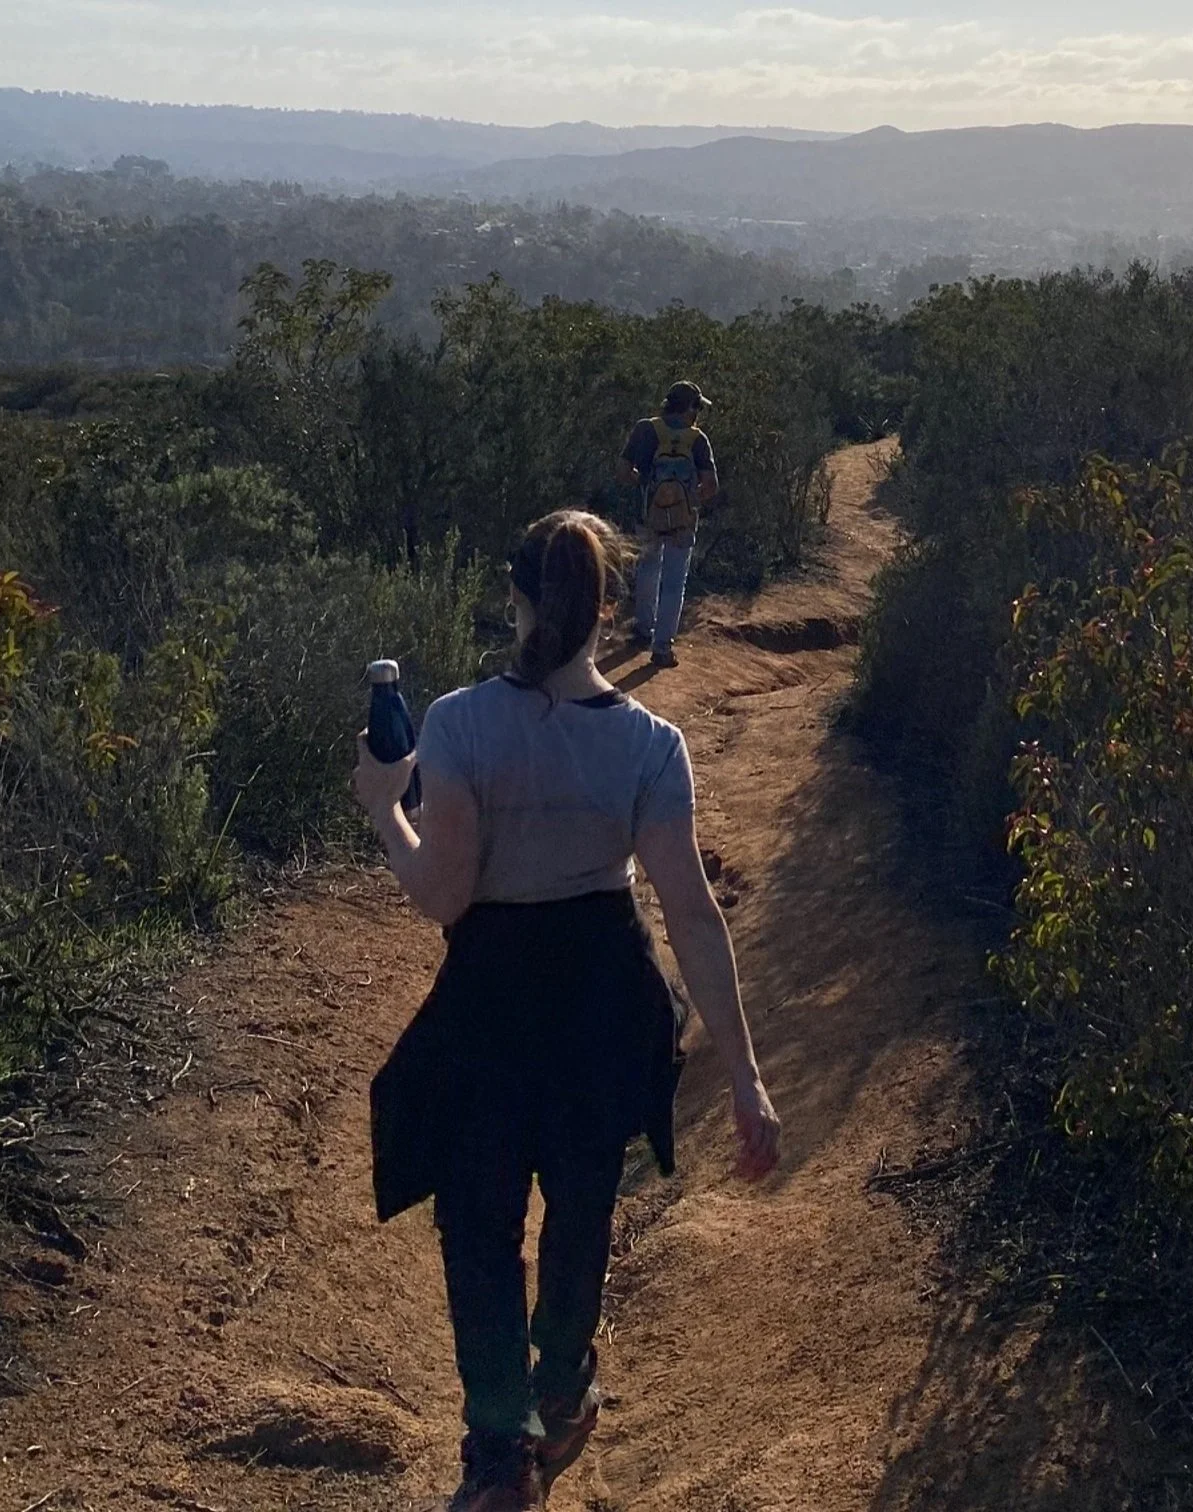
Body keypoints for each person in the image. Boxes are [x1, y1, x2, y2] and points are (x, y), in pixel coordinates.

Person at [352, 509, 781, 1512]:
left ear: (516, 599)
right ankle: (563, 1389)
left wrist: (384, 807)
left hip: (491, 1003)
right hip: (605, 1002)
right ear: (609, 608)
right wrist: (748, 1079)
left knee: (480, 1223)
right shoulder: (650, 743)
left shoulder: (458, 724)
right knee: (583, 1208)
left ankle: (500, 1448)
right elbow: (691, 914)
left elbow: (442, 896)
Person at [618, 380, 719, 669]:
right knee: (675, 581)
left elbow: (623, 471)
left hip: (647, 514)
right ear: (691, 408)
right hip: (683, 522)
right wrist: (688, 500)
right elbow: (710, 484)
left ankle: (642, 632)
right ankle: (662, 649)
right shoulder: (697, 440)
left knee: (648, 569)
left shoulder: (645, 429)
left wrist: (646, 485)